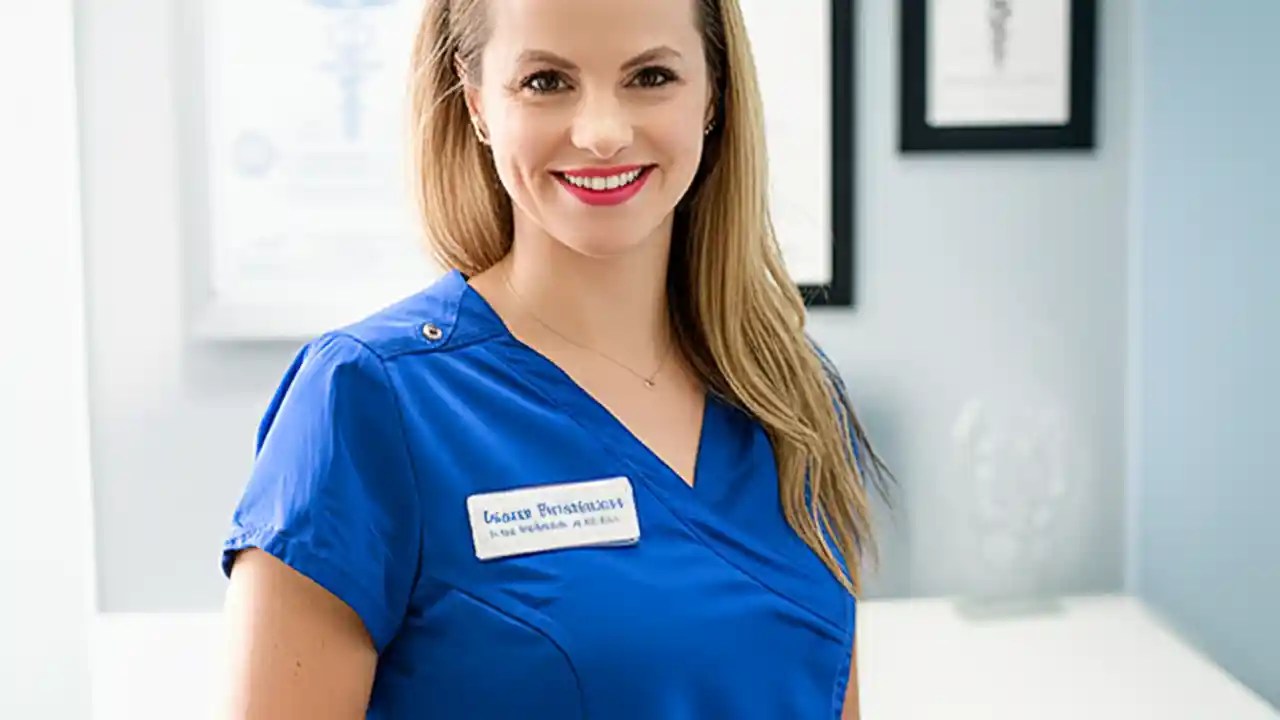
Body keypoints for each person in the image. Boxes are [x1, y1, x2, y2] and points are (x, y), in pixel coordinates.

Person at [218, 0, 895, 717]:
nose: (601, 132)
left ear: (713, 97)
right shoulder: (368, 401)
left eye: (652, 76)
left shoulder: (789, 396)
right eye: (546, 82)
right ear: (477, 102)